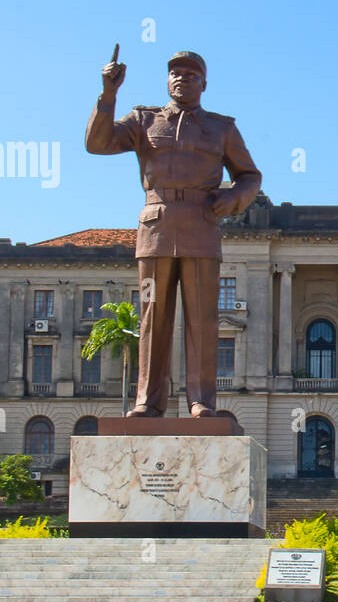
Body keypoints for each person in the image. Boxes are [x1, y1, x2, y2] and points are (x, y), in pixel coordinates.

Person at [86, 50, 262, 418]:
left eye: (191, 74)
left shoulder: (221, 128)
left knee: (202, 319)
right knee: (153, 315)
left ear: (204, 84)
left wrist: (232, 199)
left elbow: (250, 176)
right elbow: (97, 143)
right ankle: (148, 402)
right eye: (175, 73)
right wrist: (108, 94)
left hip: (201, 224)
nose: (182, 78)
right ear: (167, 81)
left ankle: (201, 401)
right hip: (157, 227)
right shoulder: (143, 120)